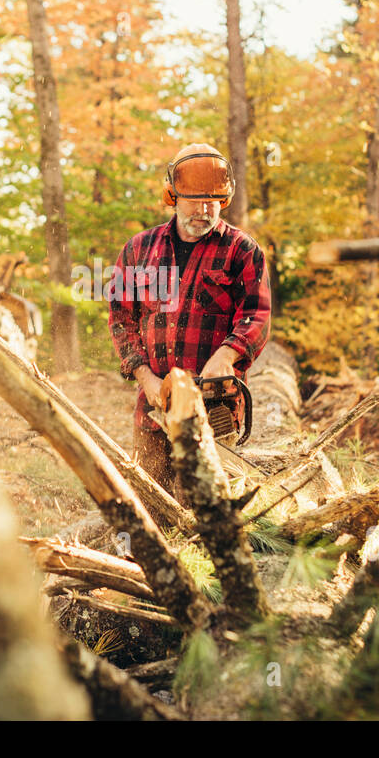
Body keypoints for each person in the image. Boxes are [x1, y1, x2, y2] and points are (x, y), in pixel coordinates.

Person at [108, 143, 271, 505]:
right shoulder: (137, 250)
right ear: (173, 196)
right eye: (194, 200)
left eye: (212, 200)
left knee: (209, 509)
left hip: (215, 409)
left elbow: (256, 315)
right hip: (153, 409)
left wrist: (227, 355)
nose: (203, 209)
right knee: (151, 506)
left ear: (224, 199)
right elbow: (121, 319)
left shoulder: (242, 251)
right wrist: (145, 378)